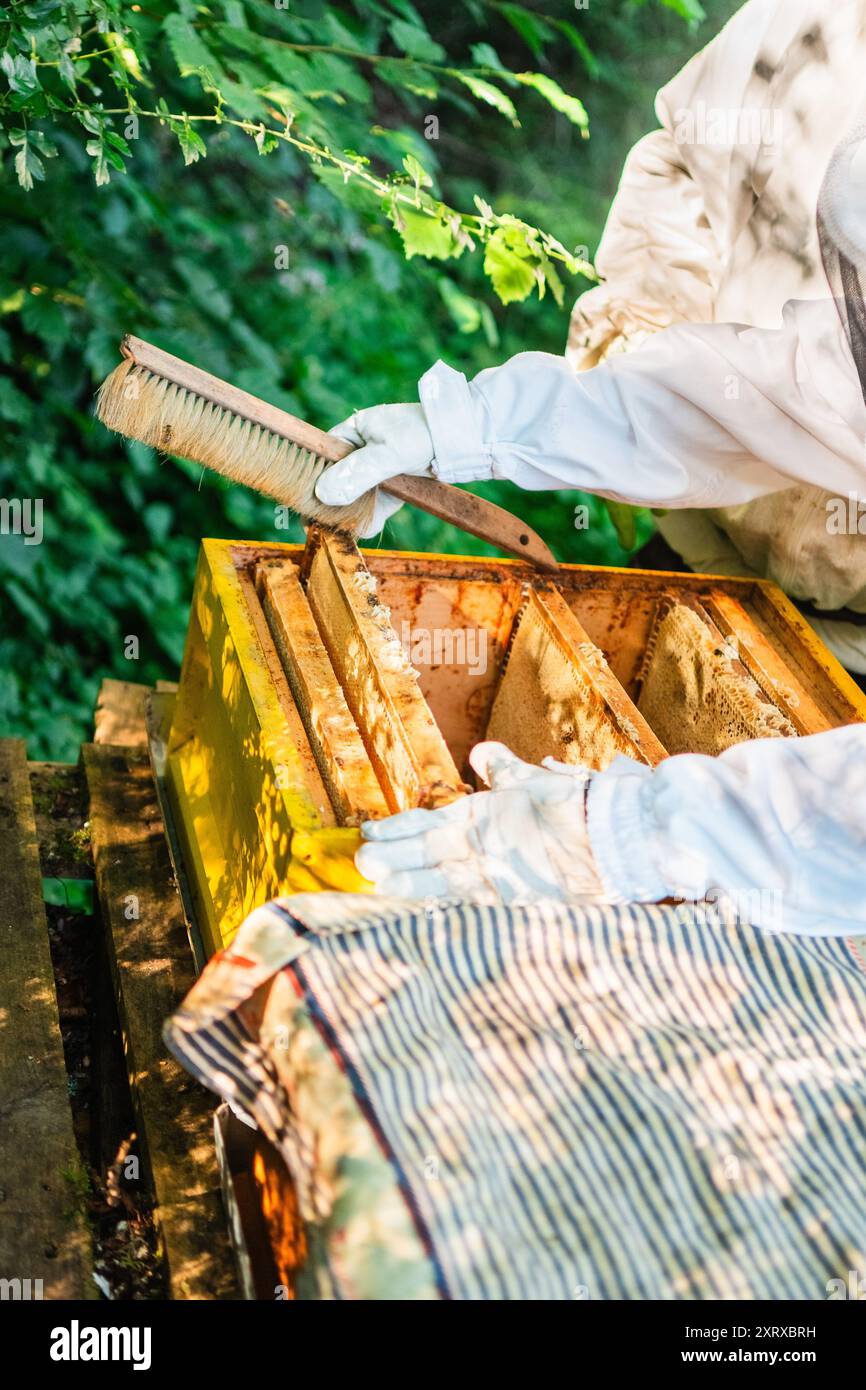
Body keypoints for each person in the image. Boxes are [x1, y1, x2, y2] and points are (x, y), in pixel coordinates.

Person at [314, 0, 866, 935]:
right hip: (745, 572)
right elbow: (749, 398)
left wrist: (629, 833)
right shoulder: (808, 39)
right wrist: (467, 426)